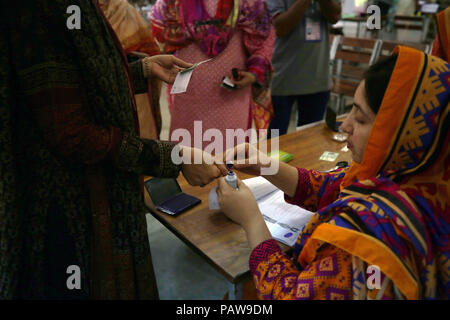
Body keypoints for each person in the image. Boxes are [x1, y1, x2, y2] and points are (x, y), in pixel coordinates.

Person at [0, 0, 227, 299]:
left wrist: (140, 69)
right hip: (72, 212)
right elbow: (73, 134)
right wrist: (175, 157)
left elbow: (81, 81)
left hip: (99, 196)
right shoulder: (38, 8)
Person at [217, 46, 449, 299]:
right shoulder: (420, 171)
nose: (344, 125)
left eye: (360, 119)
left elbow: (290, 296)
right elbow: (335, 187)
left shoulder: (369, 241)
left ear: (400, 133)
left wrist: (252, 220)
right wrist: (267, 166)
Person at [150, 0, 275, 151]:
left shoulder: (249, 3)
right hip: (189, 99)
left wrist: (254, 73)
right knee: (188, 159)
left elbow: (263, 39)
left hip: (232, 99)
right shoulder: (170, 4)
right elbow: (157, 45)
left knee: (232, 159)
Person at [267, 0, 341, 136]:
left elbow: (335, 16)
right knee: (274, 140)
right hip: (282, 78)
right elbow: (280, 28)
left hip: (317, 79)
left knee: (310, 140)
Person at [99, 0, 165, 140]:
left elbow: (153, 57)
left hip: (134, 99)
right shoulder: (123, 10)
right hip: (134, 101)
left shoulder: (125, 11)